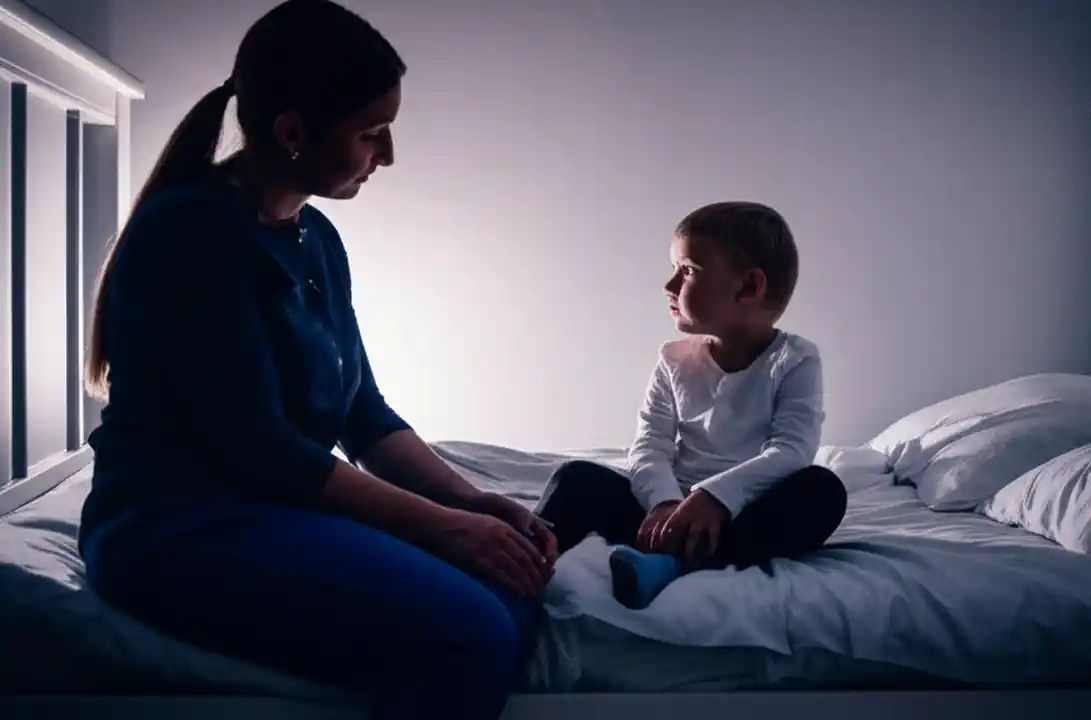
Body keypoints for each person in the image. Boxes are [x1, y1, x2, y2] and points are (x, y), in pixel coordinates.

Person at [76, 2, 555, 718]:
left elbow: (362, 413)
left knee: (510, 598)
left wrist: (470, 499)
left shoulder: (316, 239)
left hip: (268, 510)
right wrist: (444, 528)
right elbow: (267, 452)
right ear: (293, 132)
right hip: (173, 529)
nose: (387, 155)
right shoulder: (189, 235)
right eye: (371, 133)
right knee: (471, 631)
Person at [534, 201, 848, 609]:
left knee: (823, 491)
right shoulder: (674, 359)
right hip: (663, 512)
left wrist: (714, 498)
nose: (669, 285)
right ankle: (523, 556)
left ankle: (671, 567)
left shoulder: (795, 360)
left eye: (687, 271)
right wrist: (665, 503)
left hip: (741, 512)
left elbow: (791, 451)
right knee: (574, 478)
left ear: (748, 287)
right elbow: (649, 445)